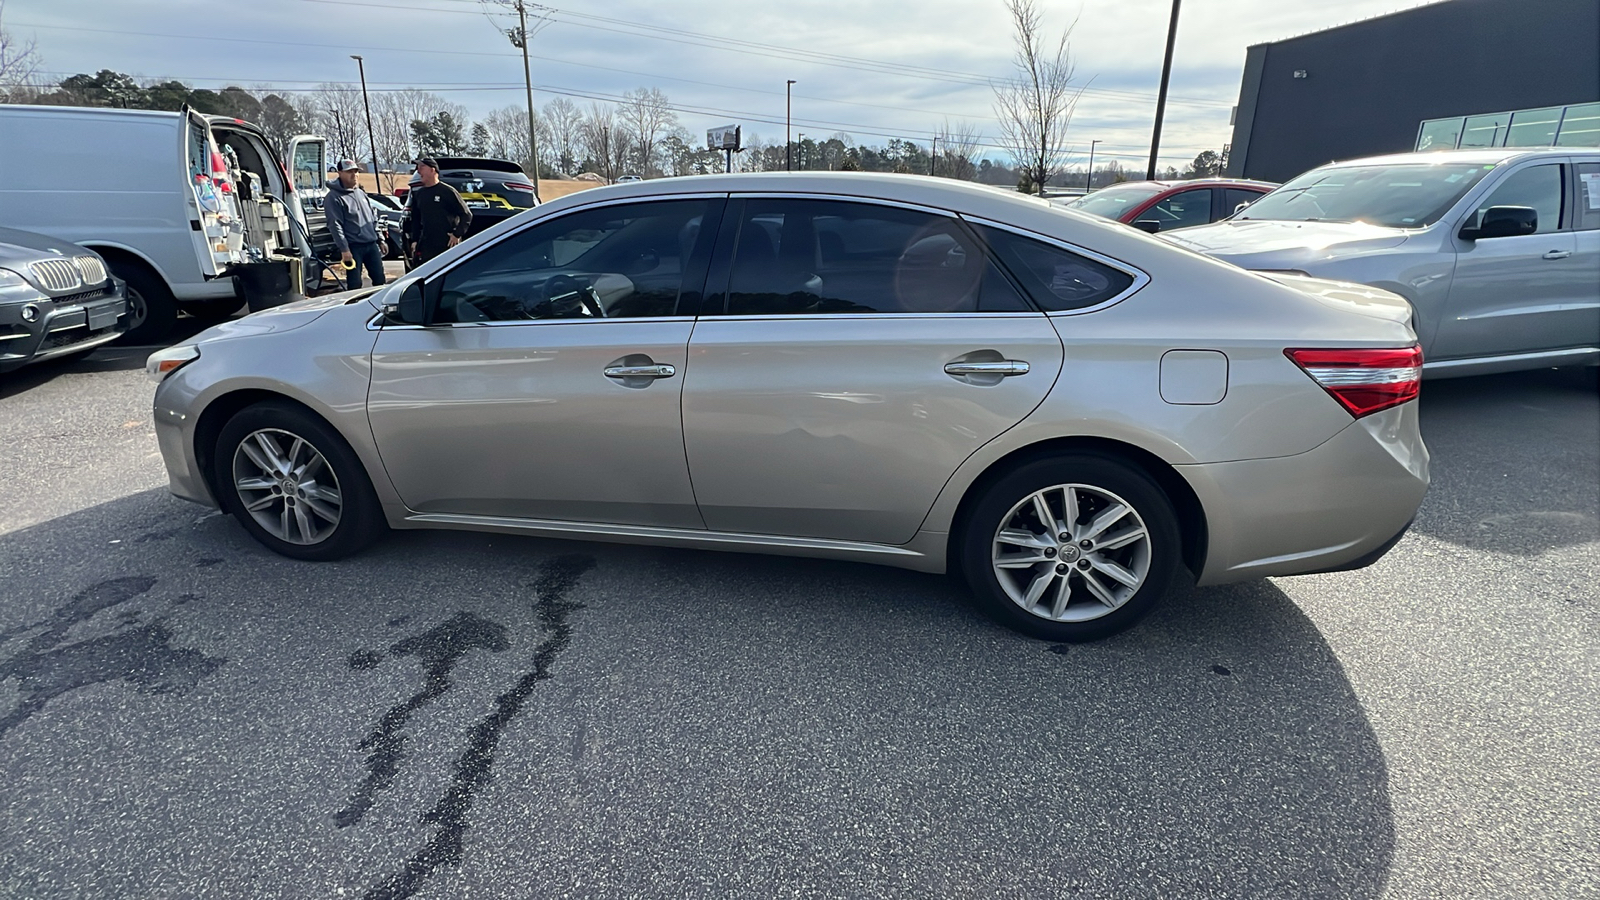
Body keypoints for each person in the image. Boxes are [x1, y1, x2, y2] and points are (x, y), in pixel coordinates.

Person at [324, 159, 387, 291]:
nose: (354, 175)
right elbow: (335, 225)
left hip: (371, 245)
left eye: (356, 171)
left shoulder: (361, 193)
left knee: (380, 281)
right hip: (353, 247)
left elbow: (372, 218)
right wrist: (344, 249)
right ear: (340, 173)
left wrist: (380, 239)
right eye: (349, 172)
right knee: (355, 284)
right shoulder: (333, 197)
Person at [404, 157, 472, 266]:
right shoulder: (420, 194)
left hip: (446, 244)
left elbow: (466, 215)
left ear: (432, 170)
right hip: (427, 244)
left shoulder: (447, 192)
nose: (418, 171)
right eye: (417, 167)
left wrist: (457, 234)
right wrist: (415, 240)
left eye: (422, 167)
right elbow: (416, 219)